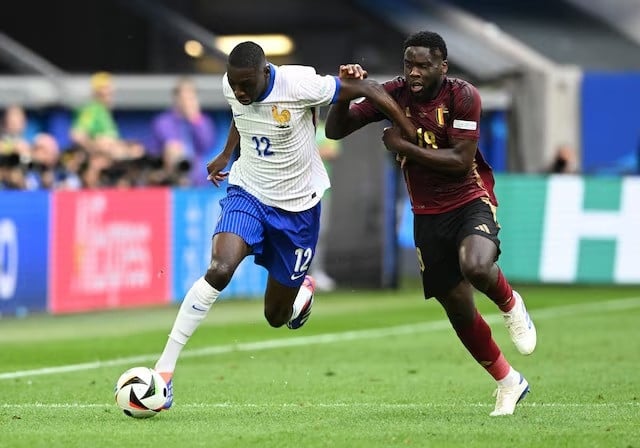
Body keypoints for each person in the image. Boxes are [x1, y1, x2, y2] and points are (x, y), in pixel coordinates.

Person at [154, 41, 416, 409]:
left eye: (246, 84)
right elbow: (240, 114)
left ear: (265, 72)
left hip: (298, 209)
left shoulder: (300, 85)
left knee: (276, 317)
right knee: (220, 268)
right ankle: (164, 372)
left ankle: (300, 296)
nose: (239, 90)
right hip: (248, 192)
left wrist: (409, 131)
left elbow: (369, 90)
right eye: (234, 84)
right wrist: (227, 153)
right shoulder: (234, 87)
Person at [325, 31, 537, 416]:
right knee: (458, 309)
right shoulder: (395, 94)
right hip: (426, 214)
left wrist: (403, 147)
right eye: (409, 64)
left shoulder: (463, 96)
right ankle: (508, 382)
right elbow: (335, 130)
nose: (414, 72)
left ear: (443, 65)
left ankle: (509, 303)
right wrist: (345, 91)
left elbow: (459, 160)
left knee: (476, 265)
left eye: (423, 65)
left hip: (469, 199)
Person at [150, 77, 216, 186]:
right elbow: (171, 146)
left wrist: (195, 120)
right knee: (174, 150)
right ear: (176, 98)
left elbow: (206, 145)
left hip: (198, 177)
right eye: (183, 97)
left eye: (191, 97)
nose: (187, 101)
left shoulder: (203, 121)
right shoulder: (164, 121)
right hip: (171, 175)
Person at [308, 117, 340, 291]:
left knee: (320, 233)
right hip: (297, 193)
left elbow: (332, 152)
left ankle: (316, 273)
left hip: (321, 192)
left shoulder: (323, 130)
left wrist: (307, 151)